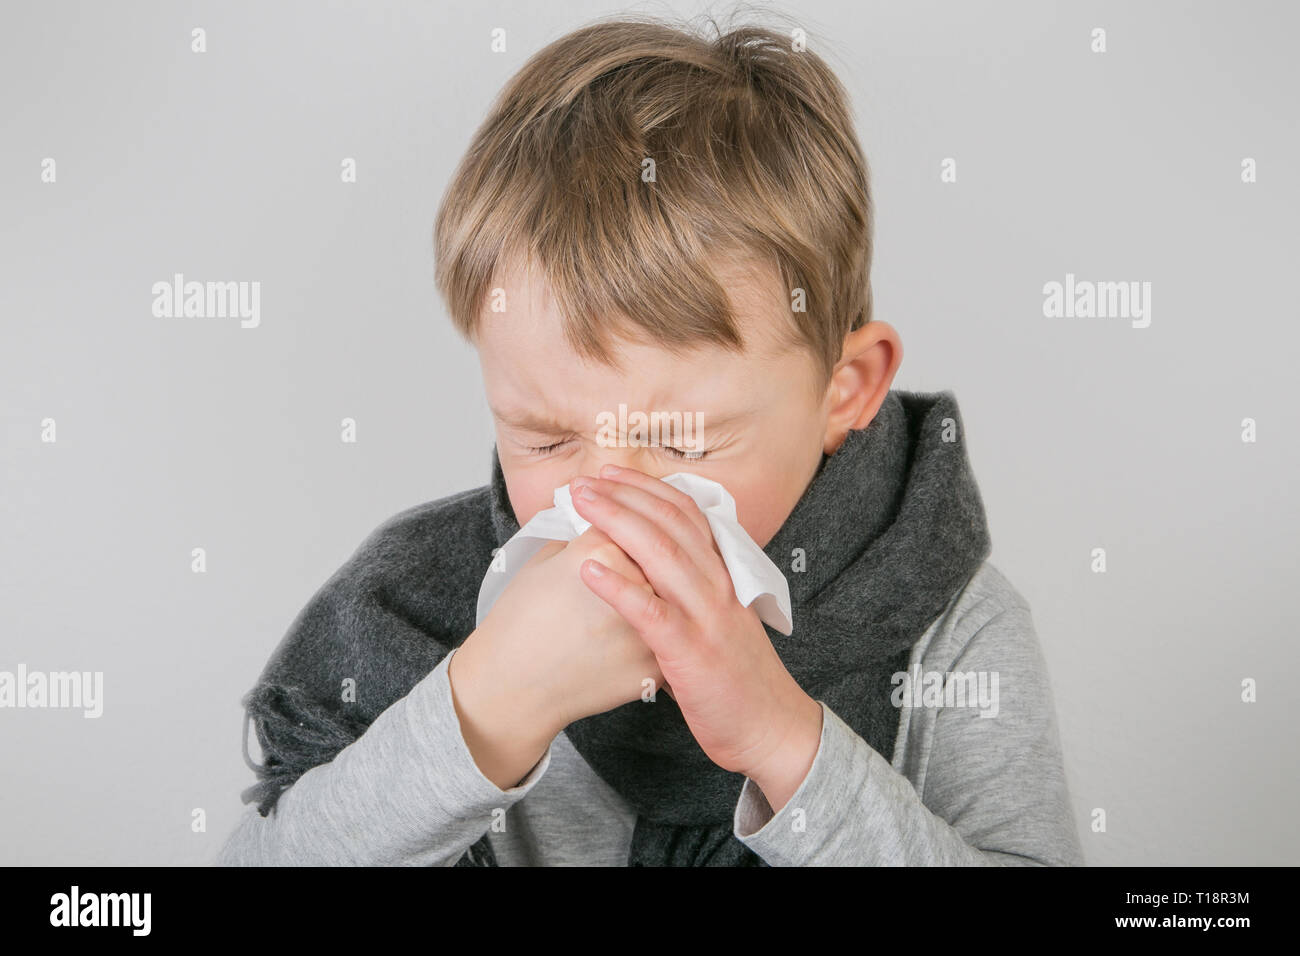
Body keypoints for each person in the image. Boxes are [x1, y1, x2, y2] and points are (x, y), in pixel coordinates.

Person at [215, 14, 1083, 867]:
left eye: (685, 443)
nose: (605, 500)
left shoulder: (950, 628)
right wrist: (486, 708)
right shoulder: (410, 604)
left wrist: (784, 742)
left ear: (841, 392)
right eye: (548, 440)